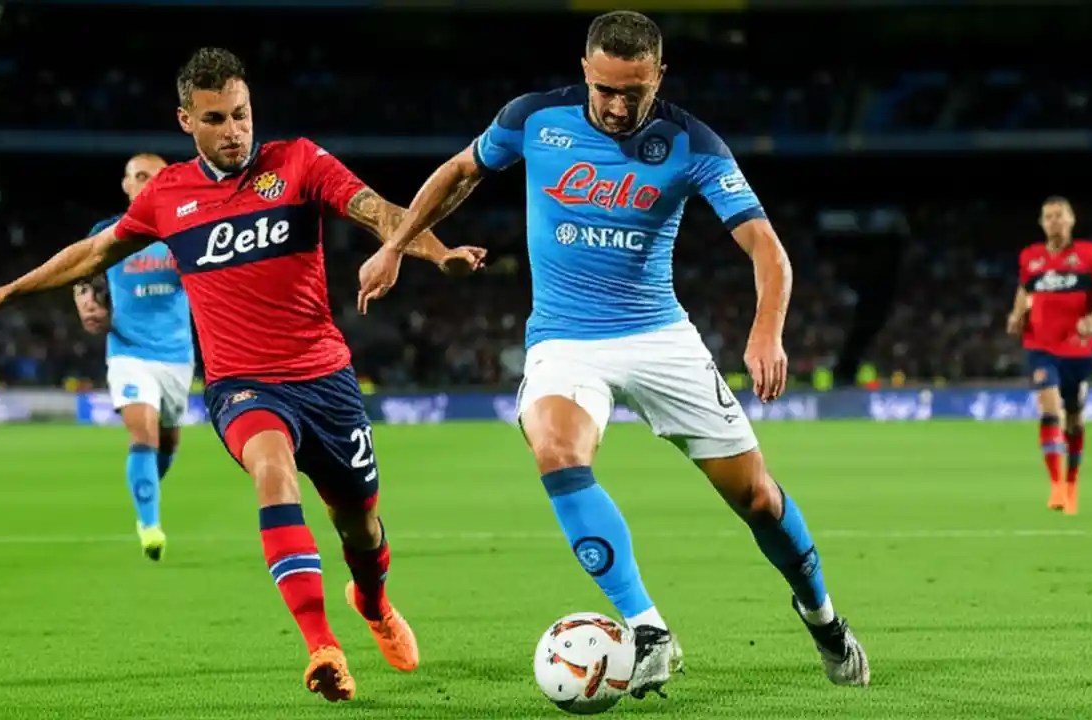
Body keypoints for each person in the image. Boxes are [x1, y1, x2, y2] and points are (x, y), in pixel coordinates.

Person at [0, 47, 486, 702]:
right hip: (241, 386)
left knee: (359, 525)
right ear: (185, 122)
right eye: (217, 118)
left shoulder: (300, 163)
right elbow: (95, 251)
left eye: (243, 114)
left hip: (325, 378)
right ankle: (322, 648)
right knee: (272, 471)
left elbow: (382, 212)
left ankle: (373, 603)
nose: (235, 130)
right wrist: (8, 292)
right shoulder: (168, 197)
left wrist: (433, 251)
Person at [356, 10, 868, 697]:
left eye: (635, 92)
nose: (619, 106)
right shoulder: (534, 119)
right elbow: (460, 172)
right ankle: (647, 629)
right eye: (606, 90)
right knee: (555, 448)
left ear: (660, 77)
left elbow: (766, 249)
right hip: (566, 340)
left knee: (758, 499)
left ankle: (823, 617)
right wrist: (396, 245)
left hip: (660, 337)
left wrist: (766, 330)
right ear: (585, 72)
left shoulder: (693, 143)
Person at [73, 152, 192, 561]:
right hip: (128, 352)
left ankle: (146, 492)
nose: (148, 183)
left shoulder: (185, 231)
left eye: (156, 177)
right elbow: (82, 274)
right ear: (126, 185)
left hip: (177, 356)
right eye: (139, 177)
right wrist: (86, 302)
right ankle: (149, 524)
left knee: (168, 441)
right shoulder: (109, 232)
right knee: (143, 434)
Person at [1006, 196, 1092, 515]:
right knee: (1048, 406)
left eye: (1060, 215)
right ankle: (1055, 485)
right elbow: (1025, 289)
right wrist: (1016, 315)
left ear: (1071, 220)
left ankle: (1072, 483)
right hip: (1040, 347)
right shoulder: (1030, 257)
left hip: (1077, 349)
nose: (1054, 221)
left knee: (1073, 418)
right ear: (1042, 223)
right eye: (1048, 216)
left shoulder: (1089, 255)